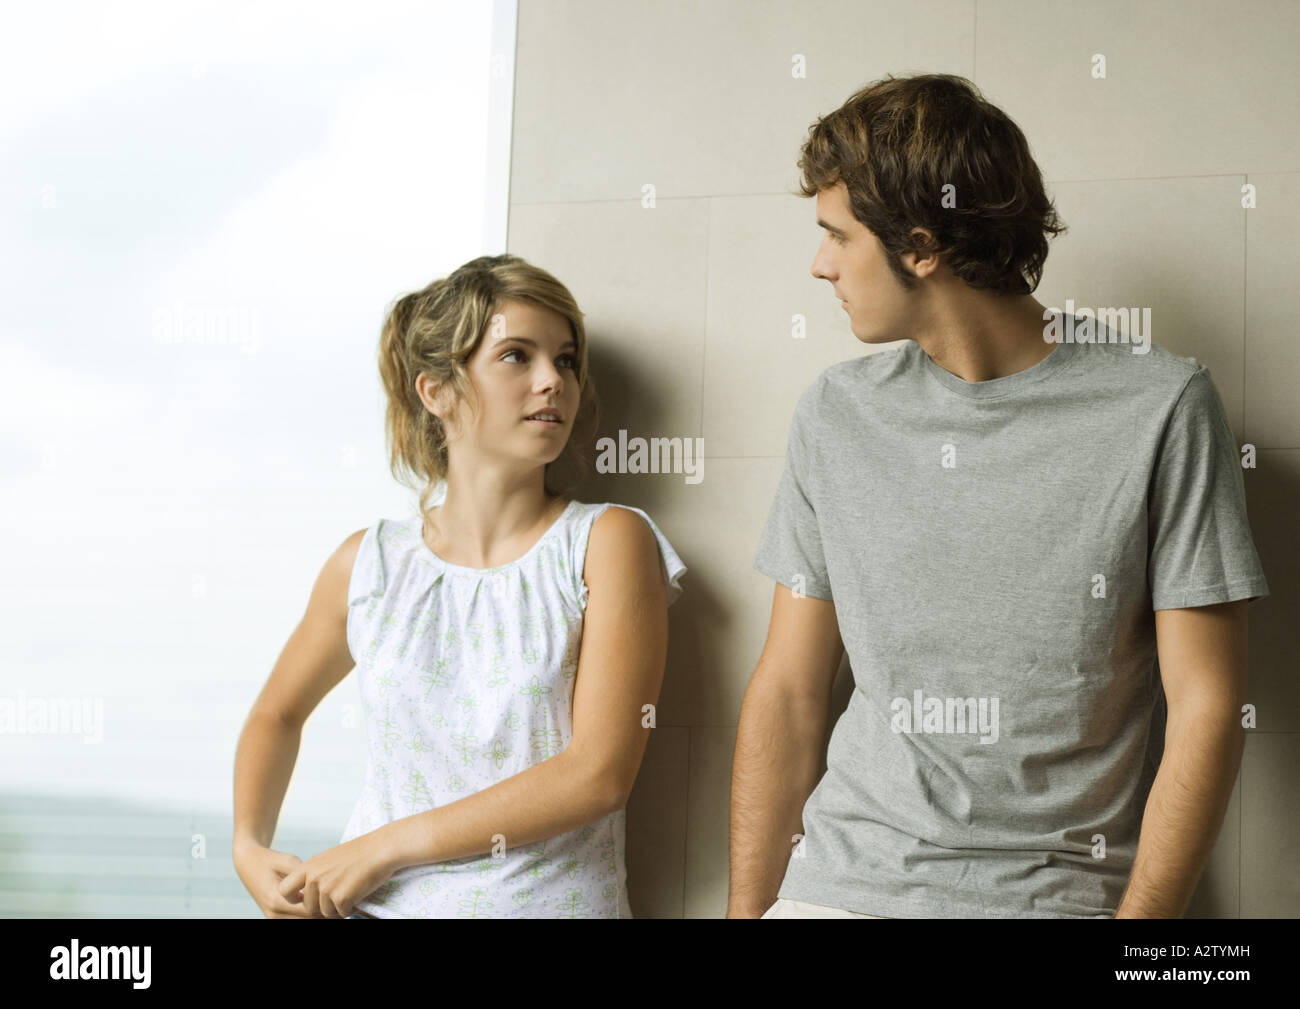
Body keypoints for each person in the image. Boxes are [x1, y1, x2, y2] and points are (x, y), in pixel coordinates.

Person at [730, 73, 1269, 919]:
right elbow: (788, 690)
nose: (819, 263)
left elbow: (1206, 705)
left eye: (837, 235)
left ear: (919, 247)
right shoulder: (836, 415)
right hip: (836, 889)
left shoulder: (1161, 406)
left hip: (1051, 899)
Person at [232, 254, 686, 918]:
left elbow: (599, 774)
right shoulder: (370, 564)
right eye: (516, 356)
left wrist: (382, 848)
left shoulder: (607, 543)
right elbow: (276, 714)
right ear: (436, 392)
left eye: (565, 360)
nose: (552, 381)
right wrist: (248, 843)